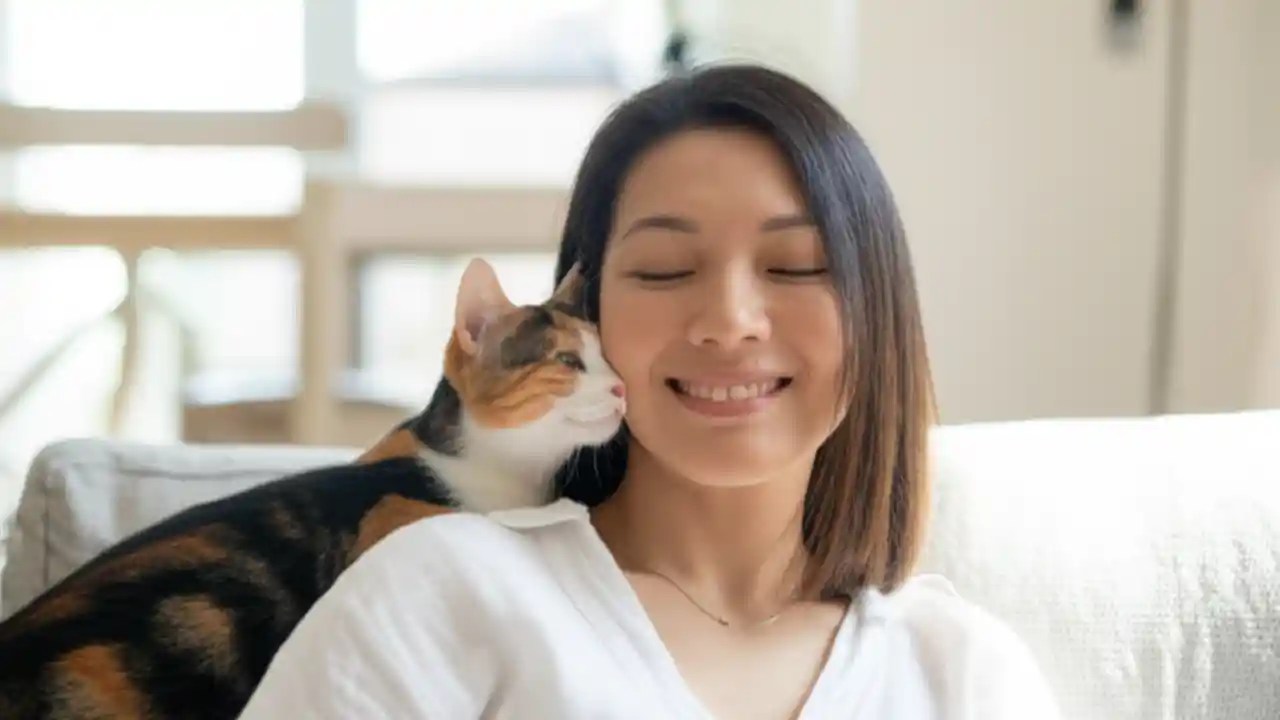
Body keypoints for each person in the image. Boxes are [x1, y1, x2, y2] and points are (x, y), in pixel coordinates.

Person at [239, 63, 1060, 718]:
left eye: (797, 267)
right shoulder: (444, 588)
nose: (730, 321)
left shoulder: (960, 669)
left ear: (878, 317)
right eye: (665, 271)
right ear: (590, 318)